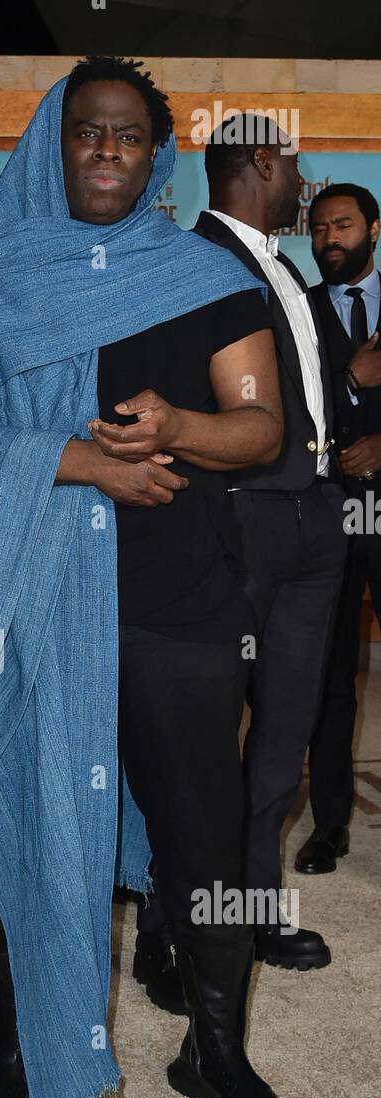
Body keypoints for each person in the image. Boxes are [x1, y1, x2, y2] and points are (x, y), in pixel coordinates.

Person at [0, 56, 292, 1098]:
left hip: (177, 609)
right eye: (89, 133)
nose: (108, 153)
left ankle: (212, 1049)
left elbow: (259, 430)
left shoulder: (199, 278)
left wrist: (173, 430)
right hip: (32, 604)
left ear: (156, 155)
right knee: (31, 824)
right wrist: (79, 461)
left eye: (129, 137)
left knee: (203, 847)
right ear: (52, 141)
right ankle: (20, 1052)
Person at [187, 117, 348, 972]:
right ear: (259, 163)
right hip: (235, 519)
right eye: (294, 162)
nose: (302, 179)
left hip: (313, 516)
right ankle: (188, 924)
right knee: (203, 730)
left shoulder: (285, 267)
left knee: (283, 728)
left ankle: (253, 906)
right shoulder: (193, 262)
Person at [296, 184, 381, 873]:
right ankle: (327, 827)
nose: (329, 238)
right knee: (326, 678)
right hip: (325, 521)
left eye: (343, 225)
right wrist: (349, 380)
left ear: (372, 229)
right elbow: (287, 407)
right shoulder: (296, 311)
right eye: (320, 227)